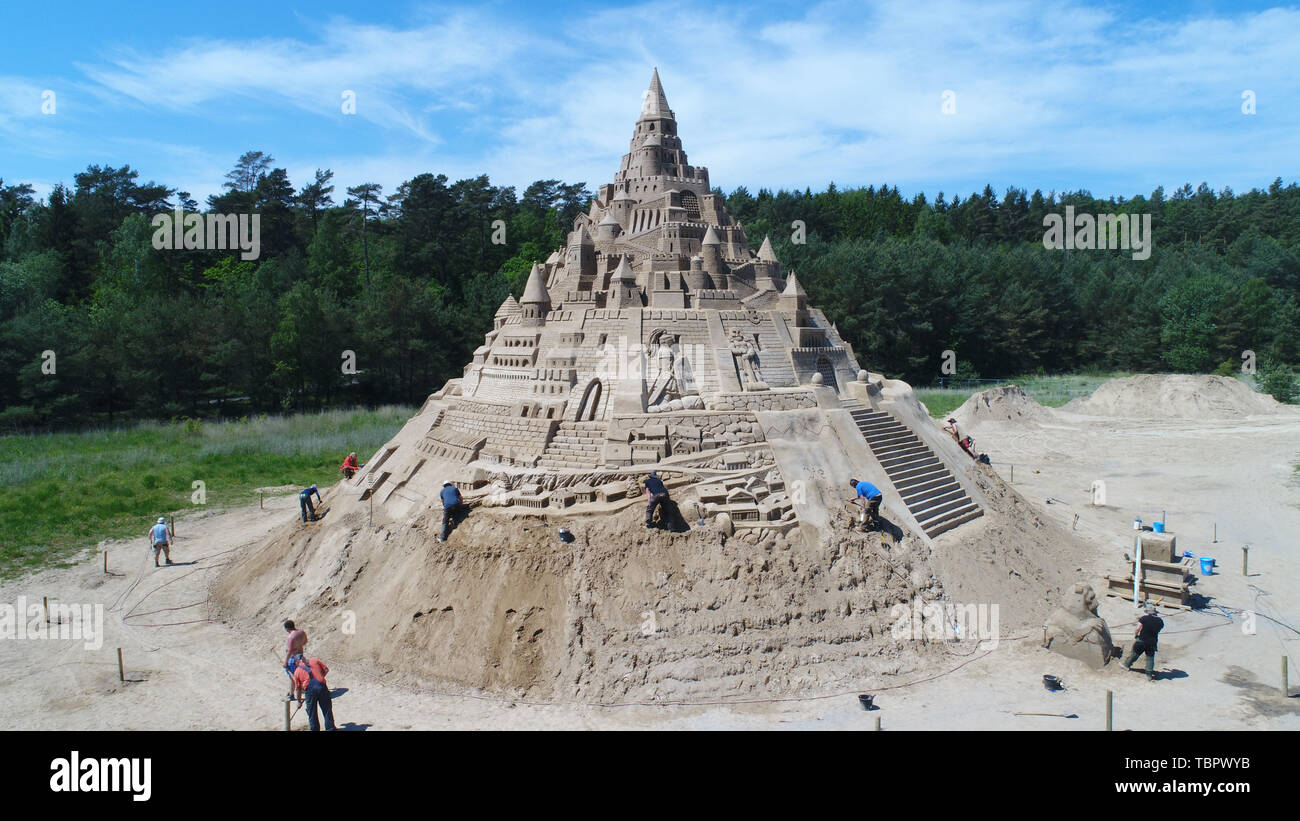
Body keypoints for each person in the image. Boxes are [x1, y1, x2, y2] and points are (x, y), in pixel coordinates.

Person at [292, 656, 336, 731]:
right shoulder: (315, 660)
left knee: (312, 713)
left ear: (297, 662)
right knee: (327, 709)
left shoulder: (297, 672)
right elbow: (326, 670)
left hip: (310, 692)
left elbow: (298, 689)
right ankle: (330, 728)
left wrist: (299, 701)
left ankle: (315, 729)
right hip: (322, 688)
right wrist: (320, 678)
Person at [1122, 604, 1165, 681]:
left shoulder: (1144, 618)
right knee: (1150, 658)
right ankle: (1149, 675)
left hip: (1142, 640)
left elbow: (1138, 628)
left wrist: (1135, 635)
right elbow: (1158, 629)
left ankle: (1126, 665)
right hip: (1152, 642)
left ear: (1148, 612)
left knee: (1135, 653)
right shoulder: (1160, 621)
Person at [283, 620, 308, 699]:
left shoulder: (291, 637)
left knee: (292, 677)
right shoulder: (301, 632)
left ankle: (291, 694)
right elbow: (305, 642)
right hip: (300, 656)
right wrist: (298, 646)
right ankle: (302, 689)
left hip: (293, 658)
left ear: (287, 629)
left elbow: (290, 651)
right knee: (300, 674)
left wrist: (285, 662)